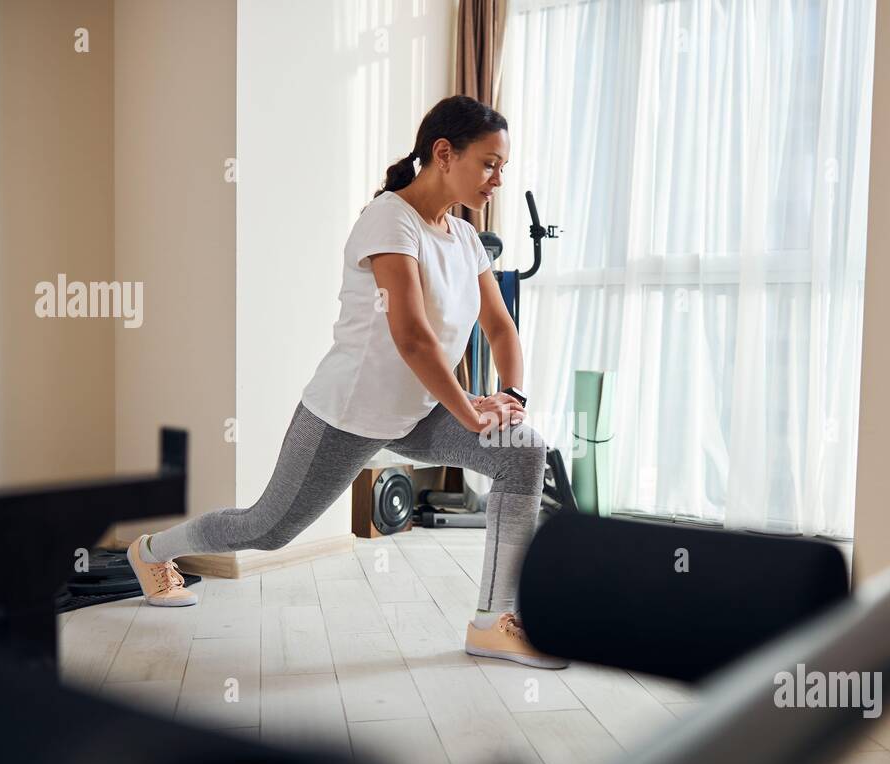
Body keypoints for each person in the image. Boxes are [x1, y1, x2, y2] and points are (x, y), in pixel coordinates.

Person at [125, 95, 565, 669]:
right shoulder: (389, 219)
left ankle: (493, 620)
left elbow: (500, 326)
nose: (499, 179)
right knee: (268, 528)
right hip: (346, 415)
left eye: (502, 166)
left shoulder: (462, 238)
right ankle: (153, 551)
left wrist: (510, 396)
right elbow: (411, 336)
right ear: (443, 154)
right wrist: (469, 412)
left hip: (418, 414)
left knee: (521, 454)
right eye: (489, 163)